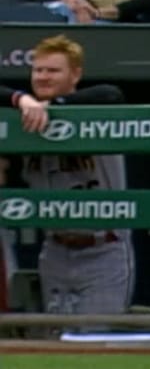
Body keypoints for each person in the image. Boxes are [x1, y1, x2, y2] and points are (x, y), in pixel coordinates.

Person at [0, 36, 135, 328]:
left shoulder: (96, 109)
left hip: (103, 250)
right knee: (58, 341)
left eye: (53, 71)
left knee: (96, 339)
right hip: (55, 251)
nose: (43, 76)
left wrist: (55, 105)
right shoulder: (26, 117)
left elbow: (112, 94)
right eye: (38, 70)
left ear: (75, 74)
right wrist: (21, 99)